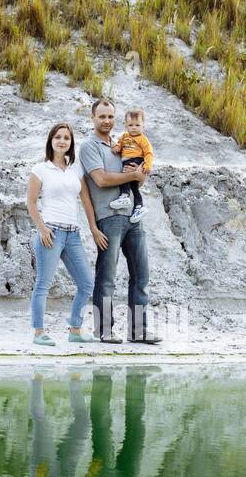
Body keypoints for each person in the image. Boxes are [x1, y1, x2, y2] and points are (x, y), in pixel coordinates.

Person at [79, 99, 163, 345]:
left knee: (141, 275)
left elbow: (138, 178)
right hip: (109, 218)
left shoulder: (123, 144)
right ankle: (103, 330)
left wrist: (139, 175)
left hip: (133, 218)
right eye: (102, 116)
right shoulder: (89, 147)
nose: (107, 121)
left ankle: (139, 331)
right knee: (107, 277)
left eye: (110, 117)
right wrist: (133, 174)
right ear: (93, 118)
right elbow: (101, 179)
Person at [26, 121, 103, 346]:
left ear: (71, 143)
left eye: (66, 138)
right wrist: (42, 228)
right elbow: (30, 203)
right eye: (58, 137)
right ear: (51, 141)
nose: (62, 141)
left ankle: (75, 329)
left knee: (87, 283)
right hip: (51, 232)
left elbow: (86, 200)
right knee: (43, 284)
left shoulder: (75, 170)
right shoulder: (40, 170)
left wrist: (93, 228)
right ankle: (39, 333)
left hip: (73, 234)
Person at [107, 107, 154, 225]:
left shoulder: (142, 139)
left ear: (143, 126)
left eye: (137, 125)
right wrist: (117, 148)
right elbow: (119, 145)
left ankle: (124, 196)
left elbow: (148, 153)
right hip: (126, 159)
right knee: (134, 186)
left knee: (125, 175)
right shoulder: (124, 137)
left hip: (136, 160)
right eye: (131, 125)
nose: (134, 128)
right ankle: (139, 207)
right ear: (126, 125)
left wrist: (147, 165)